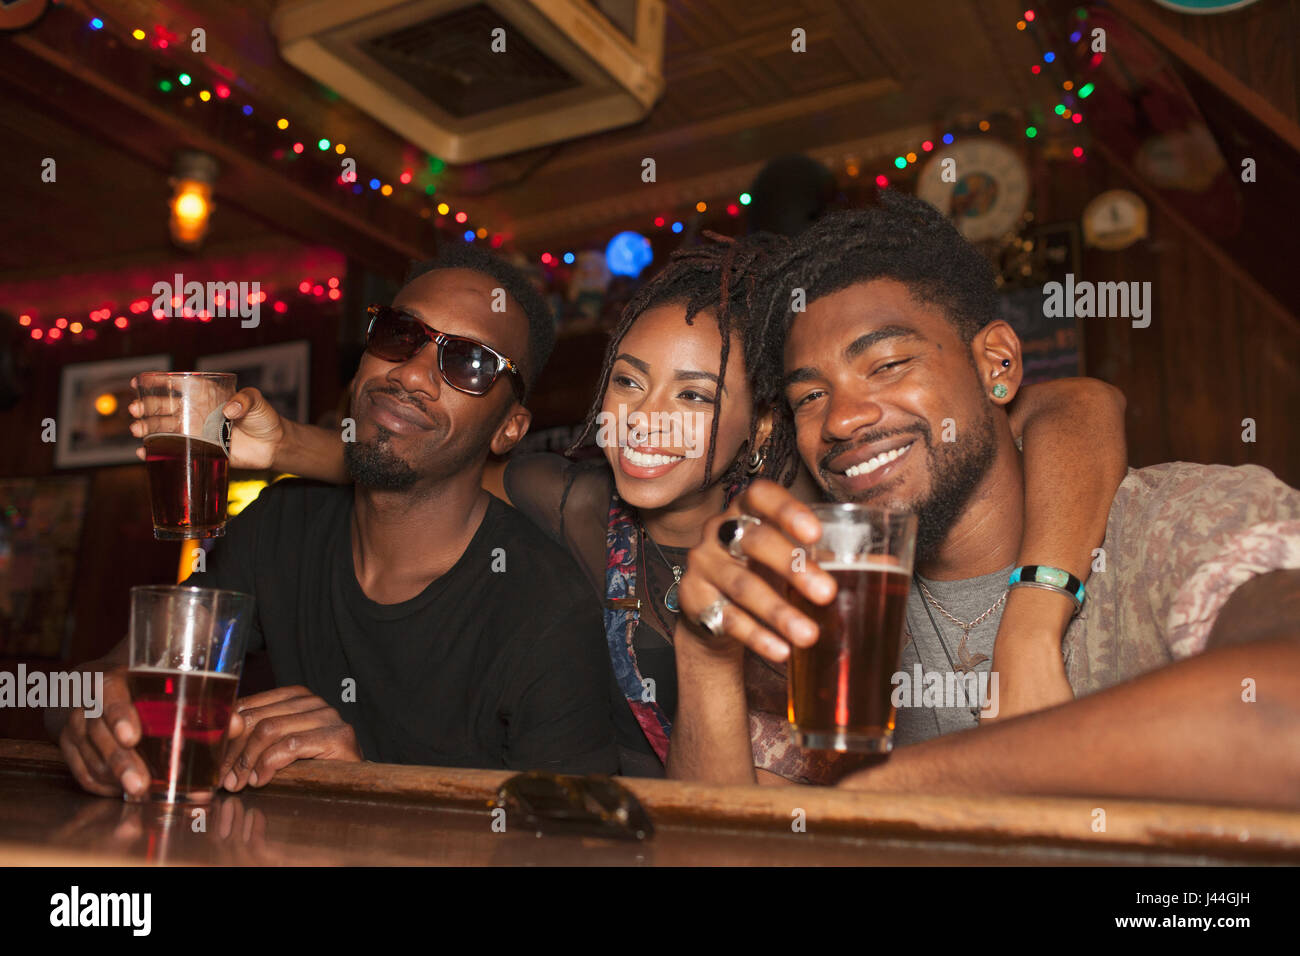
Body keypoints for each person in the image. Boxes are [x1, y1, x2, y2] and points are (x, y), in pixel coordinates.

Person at [204, 233, 1130, 783]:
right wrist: (289, 446)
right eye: (629, 385)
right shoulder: (573, 499)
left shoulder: (821, 511)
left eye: (693, 397)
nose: (646, 422)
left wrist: (1033, 615)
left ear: (760, 424)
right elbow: (432, 457)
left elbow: (1073, 404)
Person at [669, 192, 1300, 808]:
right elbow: (722, 853)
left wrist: (880, 796)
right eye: (810, 396)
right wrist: (703, 657)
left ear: (996, 363)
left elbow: (1282, 716)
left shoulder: (1182, 521)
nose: (842, 419)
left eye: (887, 364)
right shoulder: (823, 601)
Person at [47, 245, 619, 800]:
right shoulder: (281, 524)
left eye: (470, 363)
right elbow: (121, 674)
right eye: (400, 335)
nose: (413, 375)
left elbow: (570, 849)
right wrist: (96, 713)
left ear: (510, 429)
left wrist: (365, 789)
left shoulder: (550, 616)